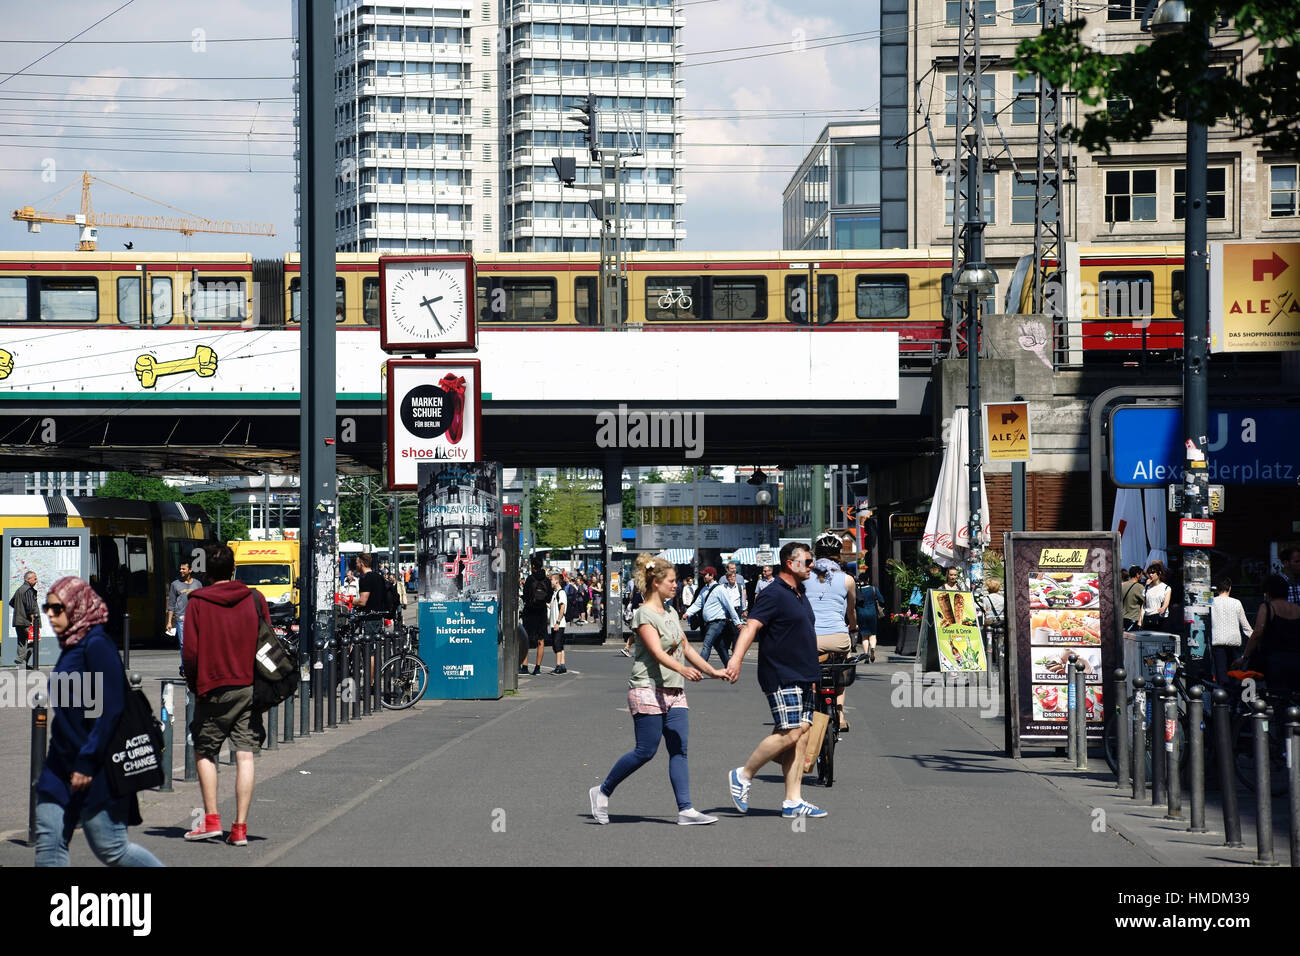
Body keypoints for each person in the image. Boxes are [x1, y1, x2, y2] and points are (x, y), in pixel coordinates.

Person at [34, 577, 164, 867]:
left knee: (112, 849)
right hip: (60, 765)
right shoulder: (72, 644)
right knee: (49, 843)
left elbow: (112, 708)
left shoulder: (96, 645)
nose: (51, 615)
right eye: (48, 608)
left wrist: (87, 762)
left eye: (58, 608)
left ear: (77, 607)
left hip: (98, 766)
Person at [589, 555, 726, 826]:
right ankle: (602, 791)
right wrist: (683, 669)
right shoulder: (643, 614)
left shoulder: (672, 612)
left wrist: (714, 671)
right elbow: (656, 651)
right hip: (647, 688)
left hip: (674, 691)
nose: (676, 585)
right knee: (645, 750)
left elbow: (686, 647)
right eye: (672, 581)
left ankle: (685, 809)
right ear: (656, 583)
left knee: (679, 749)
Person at [724, 541, 828, 819]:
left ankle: (793, 800)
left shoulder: (799, 592)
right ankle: (743, 774)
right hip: (782, 672)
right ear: (789, 564)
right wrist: (735, 659)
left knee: (801, 735)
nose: (811, 566)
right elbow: (752, 626)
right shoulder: (773, 593)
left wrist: (813, 674)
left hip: (804, 673)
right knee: (791, 731)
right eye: (806, 561)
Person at [182, 543, 271, 847]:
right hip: (247, 686)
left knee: (205, 750)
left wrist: (196, 684)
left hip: (212, 687)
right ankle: (241, 829)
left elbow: (190, 653)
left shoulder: (197, 601)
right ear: (234, 569)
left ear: (205, 572)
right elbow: (266, 641)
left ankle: (211, 821)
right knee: (245, 755)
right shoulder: (254, 598)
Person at [805, 532, 859, 730]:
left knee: (807, 671)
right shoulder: (847, 580)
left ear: (815, 554)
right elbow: (850, 611)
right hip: (838, 637)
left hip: (810, 639)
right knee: (842, 667)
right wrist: (852, 628)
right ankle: (840, 714)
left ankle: (809, 710)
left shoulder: (803, 578)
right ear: (839, 554)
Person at [1235, 574, 1300, 695]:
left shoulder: (1267, 607)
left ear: (1268, 592)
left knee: (1279, 697)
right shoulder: (1297, 609)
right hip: (1297, 658)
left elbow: (1258, 633)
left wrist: (1244, 657)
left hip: (1275, 660)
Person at [683, 565, 742, 667]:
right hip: (709, 624)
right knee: (720, 647)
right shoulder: (704, 590)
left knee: (707, 644)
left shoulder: (720, 589)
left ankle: (699, 669)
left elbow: (729, 606)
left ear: (711, 576)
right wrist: (688, 613)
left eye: (705, 575)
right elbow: (698, 604)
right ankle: (730, 668)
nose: (703, 577)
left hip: (718, 622)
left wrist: (737, 622)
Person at [1209, 579, 1252, 686]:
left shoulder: (1211, 601)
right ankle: (1234, 699)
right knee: (1235, 676)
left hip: (1218, 642)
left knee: (1221, 675)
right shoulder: (1237, 602)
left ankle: (1223, 699)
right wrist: (1254, 638)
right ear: (1230, 588)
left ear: (1217, 589)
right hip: (1234, 642)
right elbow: (1245, 626)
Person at [167, 561, 203, 675]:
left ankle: (191, 666)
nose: (181, 571)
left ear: (190, 570)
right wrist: (169, 622)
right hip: (181, 619)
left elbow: (202, 602)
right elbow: (171, 604)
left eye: (183, 569)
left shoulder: (198, 584)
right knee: (183, 644)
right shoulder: (175, 584)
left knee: (196, 644)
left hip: (196, 618)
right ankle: (185, 667)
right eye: (180, 569)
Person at [520, 555, 551, 675]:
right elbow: (548, 598)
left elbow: (526, 596)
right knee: (541, 640)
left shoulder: (530, 579)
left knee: (526, 639)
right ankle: (537, 668)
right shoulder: (547, 581)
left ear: (533, 566)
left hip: (530, 612)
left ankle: (525, 666)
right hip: (542, 612)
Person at [855, 570, 885, 663]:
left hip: (861, 614)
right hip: (872, 613)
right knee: (872, 635)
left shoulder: (857, 590)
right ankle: (872, 649)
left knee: (864, 636)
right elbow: (882, 600)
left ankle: (866, 655)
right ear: (868, 579)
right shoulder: (874, 589)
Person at [9, 569, 38, 667]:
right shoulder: (28, 590)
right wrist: (33, 620)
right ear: (29, 579)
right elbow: (30, 607)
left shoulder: (19, 589)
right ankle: (20, 660)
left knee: (22, 642)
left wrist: (19, 611)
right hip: (27, 621)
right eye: (35, 579)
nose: (36, 581)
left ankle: (21, 664)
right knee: (34, 641)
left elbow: (11, 602)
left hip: (18, 621)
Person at [548, 572, 569, 674]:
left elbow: (562, 608)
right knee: (559, 644)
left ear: (556, 580)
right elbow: (553, 606)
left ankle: (558, 666)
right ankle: (562, 665)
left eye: (552, 579)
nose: (551, 581)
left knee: (557, 645)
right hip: (554, 623)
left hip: (558, 624)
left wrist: (557, 622)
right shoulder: (555, 593)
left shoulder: (561, 593)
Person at [1142, 563, 1171, 631]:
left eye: (1153, 572)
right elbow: (1143, 604)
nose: (1151, 575)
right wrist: (1140, 620)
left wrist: (1163, 608)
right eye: (1149, 573)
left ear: (1159, 573)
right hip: (1147, 617)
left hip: (1160, 618)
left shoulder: (1166, 588)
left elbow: (1167, 602)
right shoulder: (1147, 587)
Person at [1120, 566, 1145, 631]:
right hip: (1133, 619)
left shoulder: (1122, 585)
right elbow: (1146, 602)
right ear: (1137, 575)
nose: (1142, 577)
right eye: (1141, 574)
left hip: (1122, 618)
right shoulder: (1139, 587)